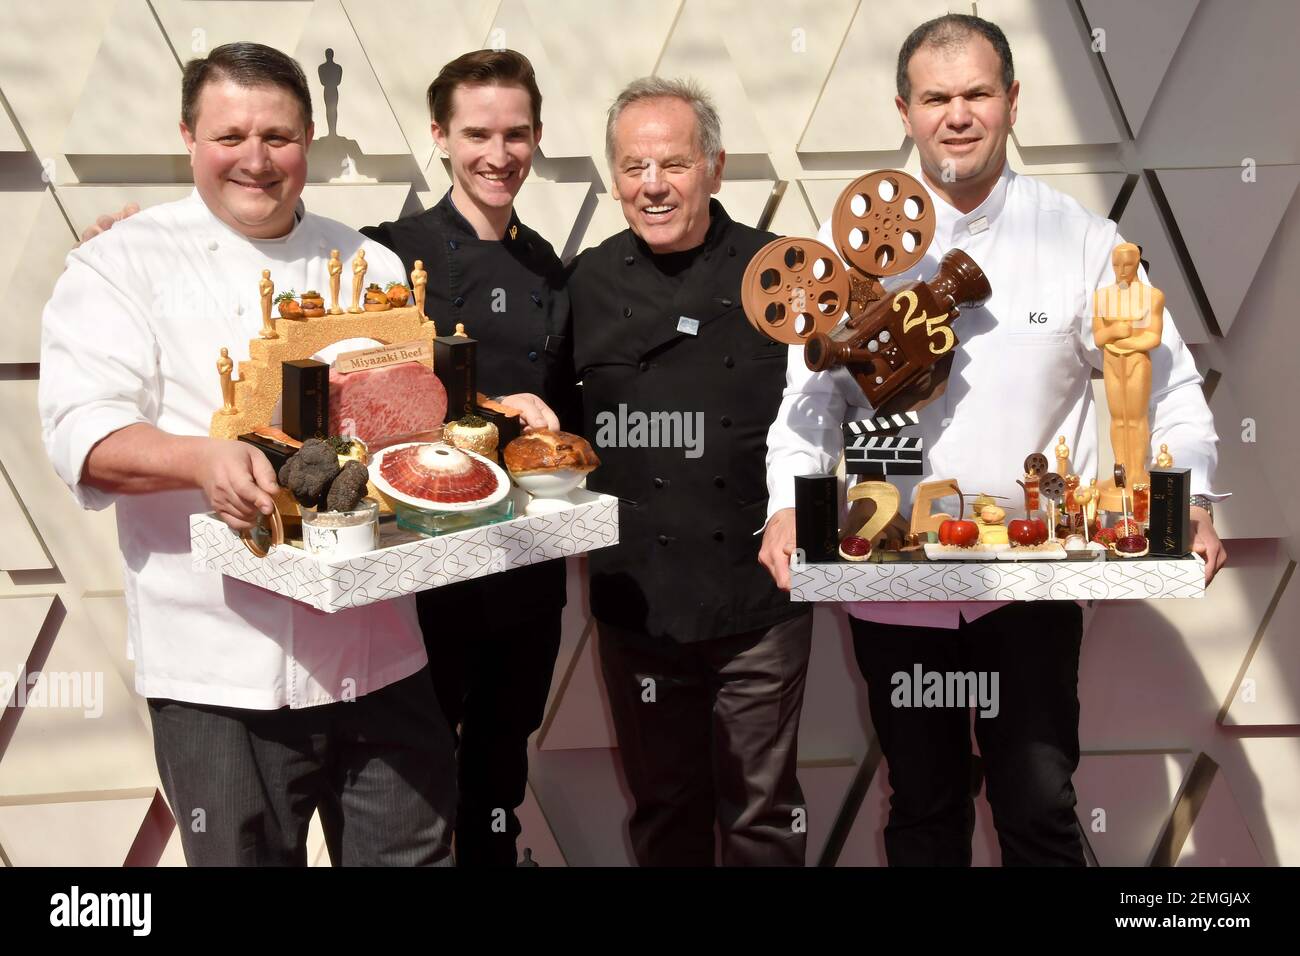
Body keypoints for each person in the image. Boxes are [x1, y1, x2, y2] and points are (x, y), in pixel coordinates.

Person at [76, 49, 573, 868]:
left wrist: (489, 412)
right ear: (187, 137)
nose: (256, 158)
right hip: (220, 670)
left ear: (309, 137)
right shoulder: (119, 263)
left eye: (277, 134)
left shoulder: (369, 265)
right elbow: (85, 440)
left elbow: (412, 413)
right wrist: (202, 460)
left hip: (383, 652)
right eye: (230, 134)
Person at [760, 13, 1227, 866]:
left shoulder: (1082, 239)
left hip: (1031, 585)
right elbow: (810, 402)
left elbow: (1168, 384)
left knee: (1040, 805)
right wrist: (790, 508)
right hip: (895, 585)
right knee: (923, 807)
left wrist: (1188, 496)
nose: (958, 115)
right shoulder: (855, 251)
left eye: (978, 93)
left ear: (1014, 101)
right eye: (936, 98)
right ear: (903, 111)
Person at [567, 78, 813, 866]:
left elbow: (828, 411)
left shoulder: (783, 274)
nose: (652, 185)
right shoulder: (587, 283)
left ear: (715, 166)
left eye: (673, 163)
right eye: (634, 167)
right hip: (636, 598)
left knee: (763, 815)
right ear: (613, 178)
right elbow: (550, 427)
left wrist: (804, 504)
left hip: (758, 599)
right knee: (665, 811)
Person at [360, 49, 575, 867]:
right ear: (439, 136)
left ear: (538, 137)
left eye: (516, 134)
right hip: (420, 568)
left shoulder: (548, 264)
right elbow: (361, 384)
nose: (498, 153)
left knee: (499, 772)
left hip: (526, 569)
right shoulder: (387, 252)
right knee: (412, 782)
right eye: (477, 133)